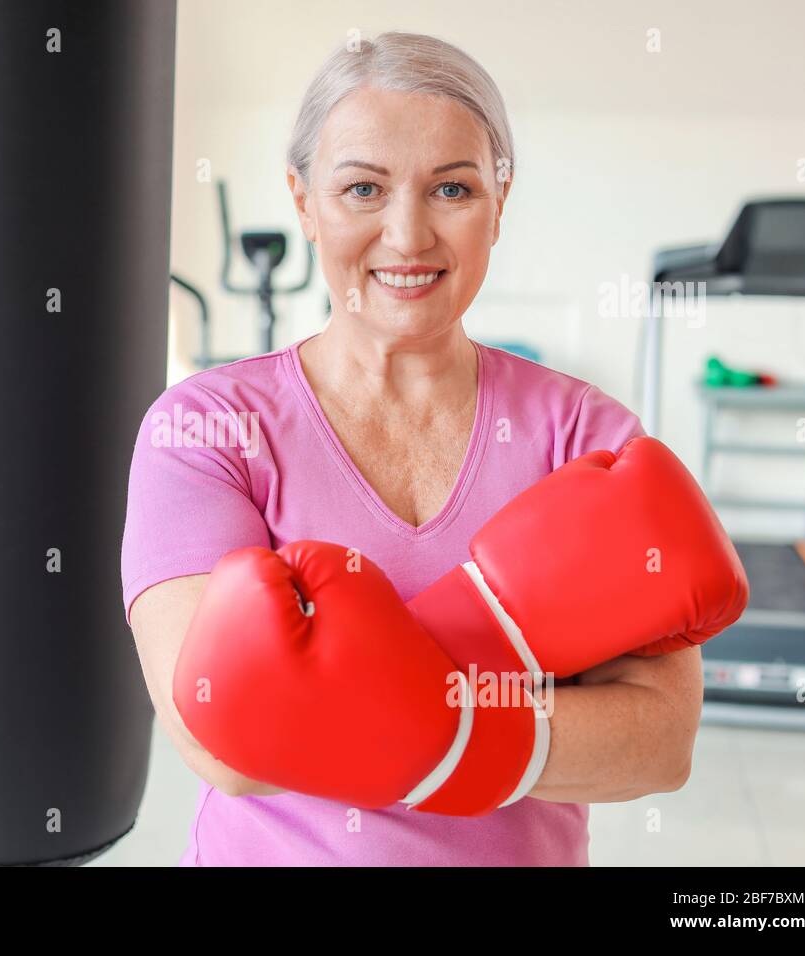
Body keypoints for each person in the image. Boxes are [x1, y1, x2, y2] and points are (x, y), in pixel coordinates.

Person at [121, 31, 702, 866]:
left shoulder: (586, 438)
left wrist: (396, 716)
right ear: (304, 202)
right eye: (363, 188)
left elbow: (659, 740)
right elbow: (220, 734)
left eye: (452, 189)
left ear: (499, 204)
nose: (408, 235)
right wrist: (507, 721)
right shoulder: (204, 430)